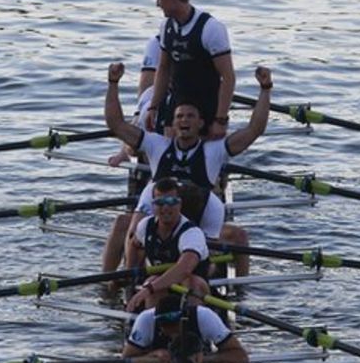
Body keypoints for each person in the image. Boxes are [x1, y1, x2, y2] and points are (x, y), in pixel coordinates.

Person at [106, 61, 274, 276]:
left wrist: (265, 90)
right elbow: (116, 124)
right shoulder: (157, 144)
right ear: (173, 124)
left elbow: (254, 129)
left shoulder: (213, 151)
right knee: (129, 228)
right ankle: (124, 281)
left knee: (239, 237)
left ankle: (238, 294)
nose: (184, 120)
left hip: (198, 213)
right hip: (161, 208)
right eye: (179, 116)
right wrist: (113, 83)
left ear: (201, 123)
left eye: (190, 116)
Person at [144, 0, 235, 140]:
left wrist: (220, 120)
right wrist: (153, 107)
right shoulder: (166, 26)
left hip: (206, 105)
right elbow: (163, 68)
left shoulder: (211, 28)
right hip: (177, 104)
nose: (157, 4)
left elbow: (228, 77)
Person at [101, 35, 161, 274]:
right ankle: (112, 284)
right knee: (124, 224)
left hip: (178, 180)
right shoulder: (149, 97)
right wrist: (112, 83)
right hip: (151, 166)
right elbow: (126, 130)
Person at [123, 292, 249, 363]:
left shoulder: (205, 316)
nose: (173, 334)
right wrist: (152, 356)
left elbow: (241, 357)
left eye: (175, 329)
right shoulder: (145, 320)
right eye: (166, 328)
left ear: (186, 319)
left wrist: (201, 358)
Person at [123, 177, 212, 312]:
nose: (165, 207)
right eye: (160, 202)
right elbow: (134, 244)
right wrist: (129, 276)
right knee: (152, 280)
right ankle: (156, 325)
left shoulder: (192, 233)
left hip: (188, 284)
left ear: (180, 204)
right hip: (159, 286)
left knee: (193, 283)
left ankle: (192, 322)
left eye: (171, 202)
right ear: (153, 205)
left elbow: (184, 269)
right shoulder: (145, 226)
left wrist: (149, 288)